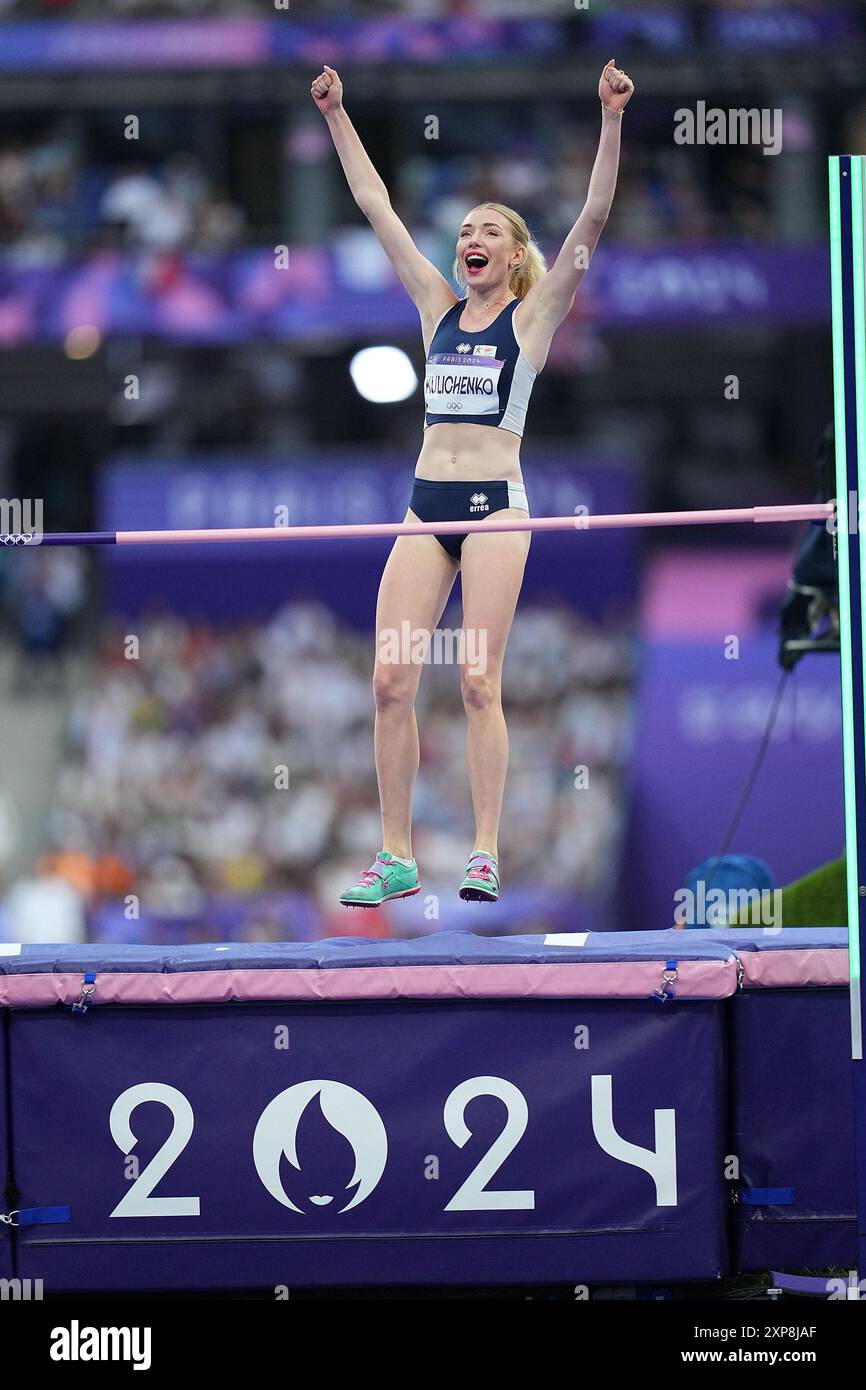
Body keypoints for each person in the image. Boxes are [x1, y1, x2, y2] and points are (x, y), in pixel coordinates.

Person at [311, 58, 634, 907]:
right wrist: (339, 114)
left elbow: (593, 217)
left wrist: (609, 117)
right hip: (427, 505)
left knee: (479, 680)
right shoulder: (433, 307)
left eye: (488, 231)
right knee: (389, 680)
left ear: (514, 253)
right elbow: (375, 206)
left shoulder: (534, 317)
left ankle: (484, 853)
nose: (470, 241)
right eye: (463, 233)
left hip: (496, 509)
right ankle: (396, 855)